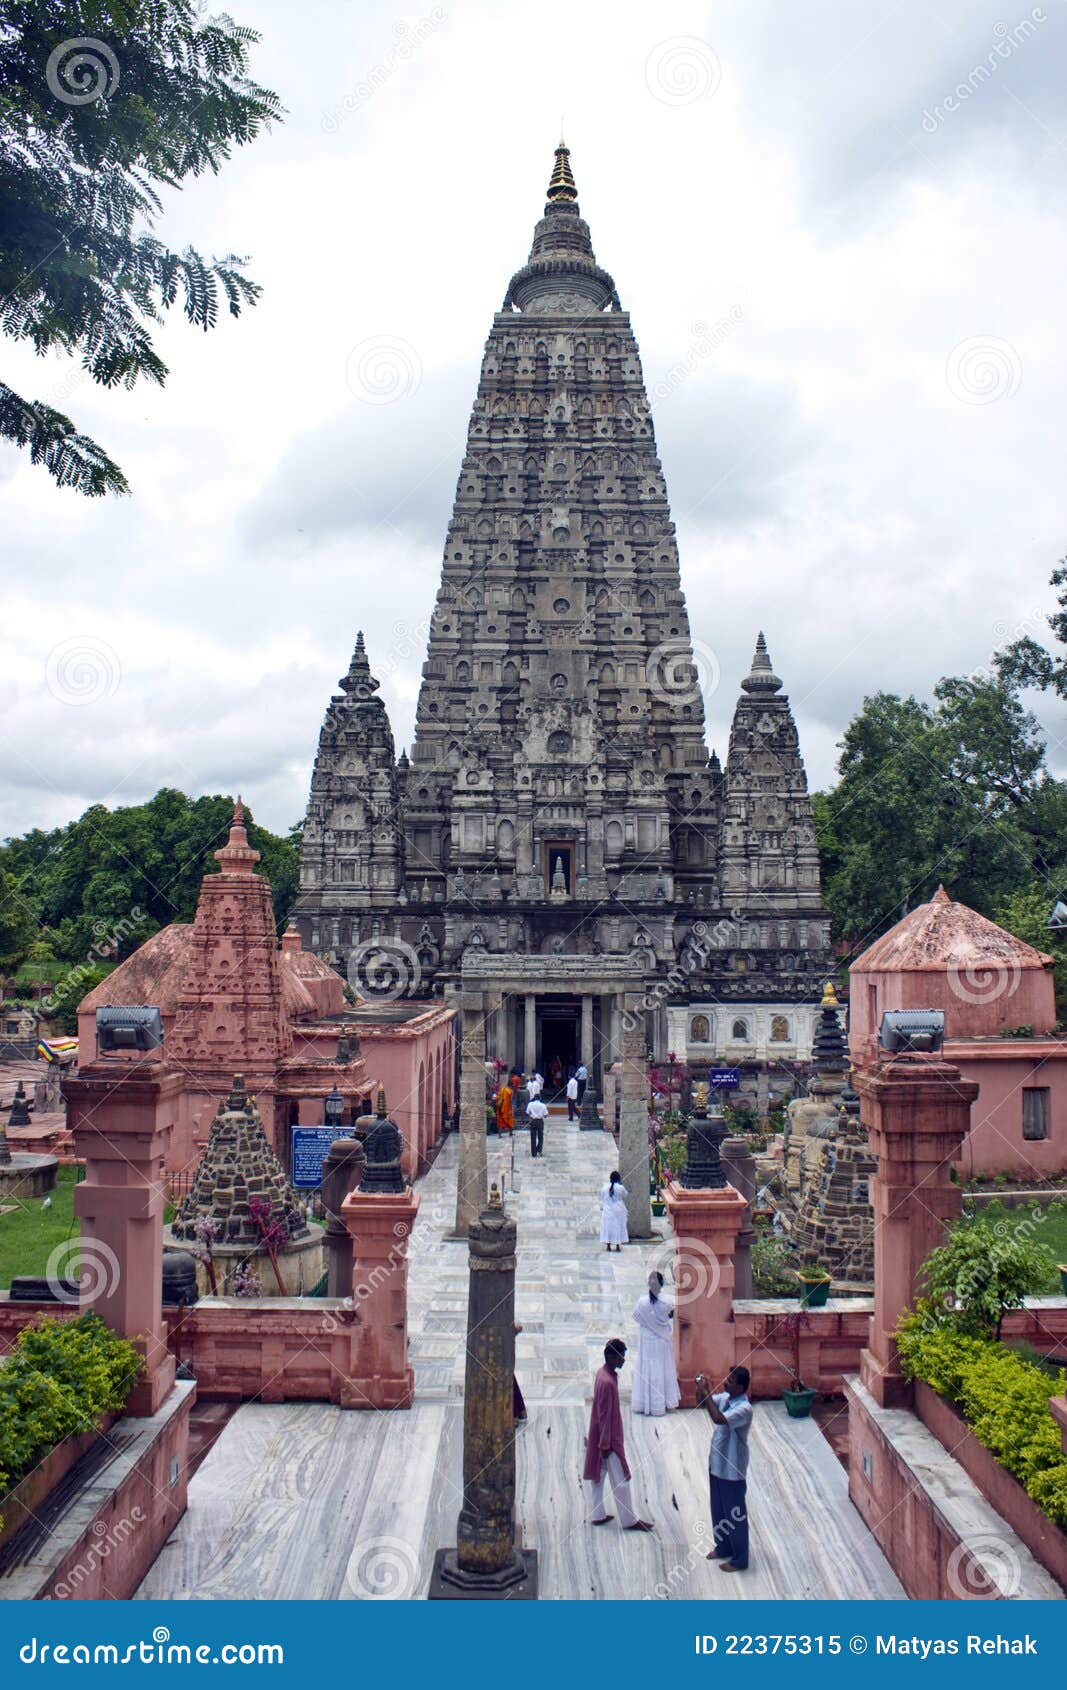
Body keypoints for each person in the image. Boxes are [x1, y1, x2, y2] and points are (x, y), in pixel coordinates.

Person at [583, 1339, 653, 1531]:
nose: (623, 1359)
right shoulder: (607, 1382)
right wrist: (605, 1444)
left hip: (600, 1435)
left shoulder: (602, 1374)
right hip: (609, 1440)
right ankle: (629, 1520)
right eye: (621, 1355)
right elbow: (605, 1415)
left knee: (599, 1475)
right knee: (620, 1479)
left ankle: (597, 1514)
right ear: (612, 1357)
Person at [696, 1365, 753, 1573]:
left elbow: (718, 1418)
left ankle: (740, 1559)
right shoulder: (726, 1399)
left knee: (735, 1515)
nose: (725, 1382)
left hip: (732, 1470)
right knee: (718, 1510)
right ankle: (723, 1547)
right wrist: (700, 1387)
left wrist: (706, 1391)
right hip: (717, 1465)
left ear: (740, 1387)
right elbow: (703, 1404)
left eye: (730, 1381)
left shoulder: (744, 1409)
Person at [631, 1271, 680, 1416]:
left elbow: (637, 1317)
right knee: (662, 1369)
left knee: (647, 1369)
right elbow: (671, 1314)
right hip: (661, 1340)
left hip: (647, 1339)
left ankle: (645, 1403)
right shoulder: (668, 1301)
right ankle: (662, 1403)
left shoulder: (642, 1302)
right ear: (662, 1284)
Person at [600, 1171, 628, 1252]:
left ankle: (608, 1245)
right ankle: (618, 1246)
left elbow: (602, 1196)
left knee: (608, 1227)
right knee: (618, 1226)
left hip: (607, 1210)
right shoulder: (620, 1187)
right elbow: (625, 1195)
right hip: (618, 1210)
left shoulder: (605, 1187)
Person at [526, 1092, 549, 1157]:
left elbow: (527, 1112)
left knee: (533, 1137)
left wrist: (532, 1115)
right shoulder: (543, 1105)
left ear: (534, 1098)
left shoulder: (530, 1104)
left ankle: (533, 1153)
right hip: (540, 1121)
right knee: (540, 1137)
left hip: (533, 1121)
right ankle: (539, 1150)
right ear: (540, 1098)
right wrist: (542, 1115)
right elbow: (545, 1115)